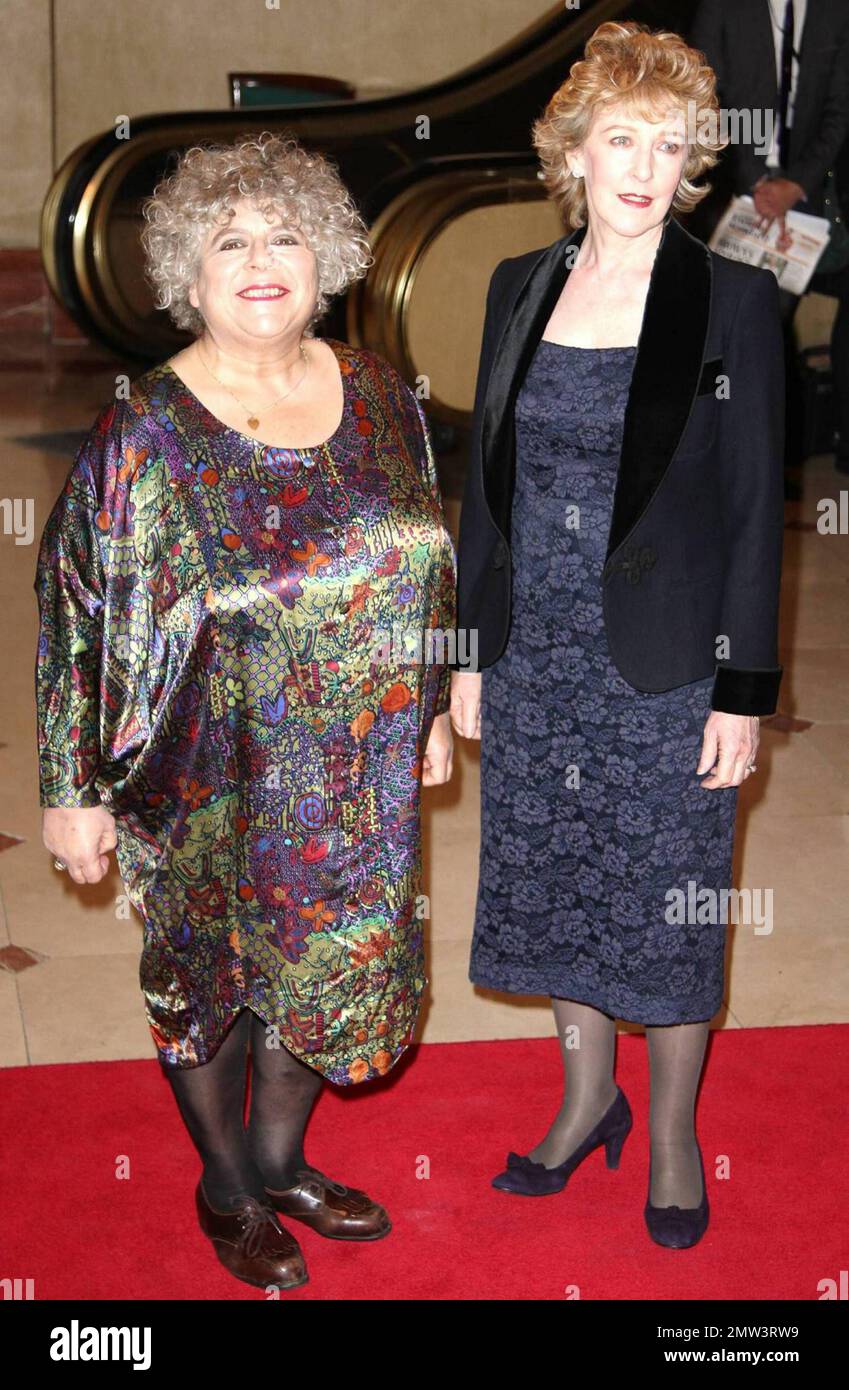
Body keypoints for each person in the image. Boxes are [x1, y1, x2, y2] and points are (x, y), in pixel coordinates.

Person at [33, 131, 456, 1291]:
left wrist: (419, 707)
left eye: (283, 237)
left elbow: (424, 556)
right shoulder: (148, 427)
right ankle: (226, 1182)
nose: (261, 261)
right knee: (216, 980)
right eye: (230, 241)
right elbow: (71, 605)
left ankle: (281, 1161)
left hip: (356, 768)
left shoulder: (379, 392)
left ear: (326, 258)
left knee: (320, 970)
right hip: (209, 768)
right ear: (189, 271)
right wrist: (73, 789)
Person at [451, 20, 785, 1249]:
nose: (645, 167)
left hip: (666, 662)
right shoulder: (517, 288)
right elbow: (487, 489)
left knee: (670, 900)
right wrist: (471, 660)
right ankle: (586, 1101)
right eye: (621, 140)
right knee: (557, 880)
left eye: (670, 145)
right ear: (573, 154)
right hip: (536, 651)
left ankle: (676, 1128)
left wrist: (741, 692)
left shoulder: (734, 302)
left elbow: (756, 510)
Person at [690, 0, 849, 473]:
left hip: (810, 190)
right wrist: (759, 181)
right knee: (758, 324)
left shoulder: (835, 9)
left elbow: (840, 110)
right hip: (737, 188)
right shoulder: (721, 7)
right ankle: (754, 458)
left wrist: (794, 183)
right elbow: (703, 100)